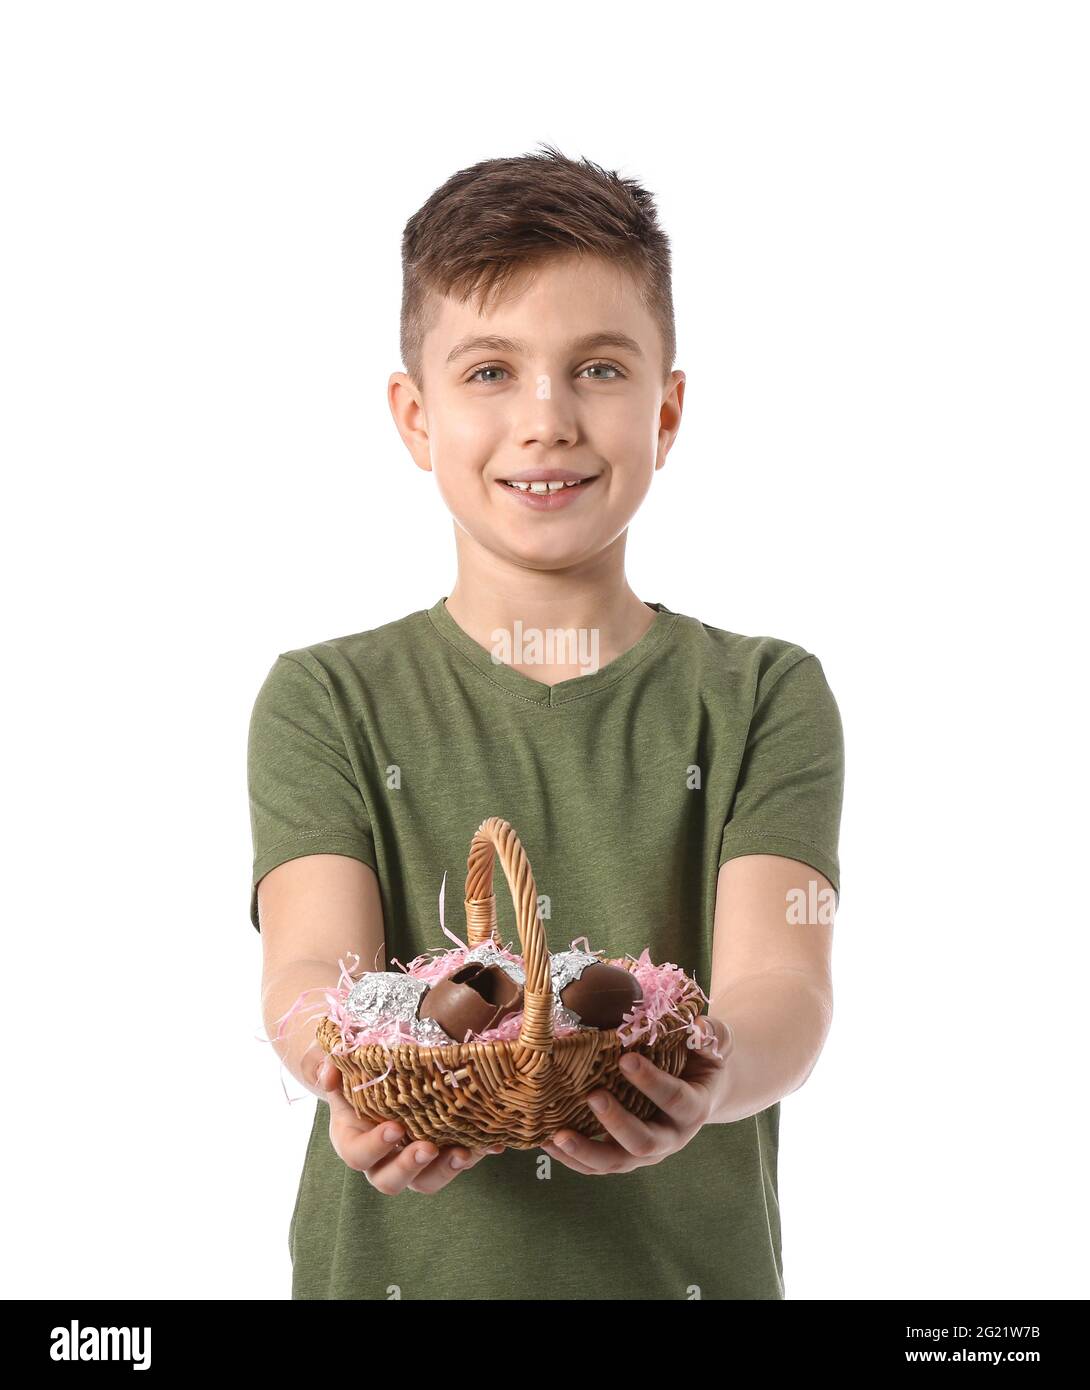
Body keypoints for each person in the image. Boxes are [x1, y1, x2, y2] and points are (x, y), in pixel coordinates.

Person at [246, 143, 845, 1300]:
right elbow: (311, 966)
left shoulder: (766, 692)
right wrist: (349, 1074)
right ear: (414, 417)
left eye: (600, 369)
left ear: (666, 412)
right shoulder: (324, 697)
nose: (548, 419)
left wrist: (705, 1079)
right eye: (488, 372)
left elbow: (787, 987)